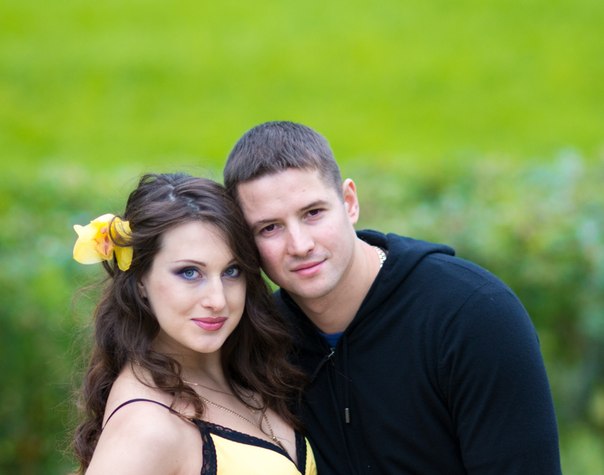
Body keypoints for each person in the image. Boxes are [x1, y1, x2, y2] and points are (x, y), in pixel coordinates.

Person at [223, 121, 562, 474]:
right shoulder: (262, 341)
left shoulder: (474, 316)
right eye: (270, 228)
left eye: (313, 213)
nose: (300, 245)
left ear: (349, 202)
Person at [71, 172, 317, 475]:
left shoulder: (250, 373)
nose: (218, 300)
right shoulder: (146, 428)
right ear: (140, 280)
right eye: (189, 273)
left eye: (231, 271)